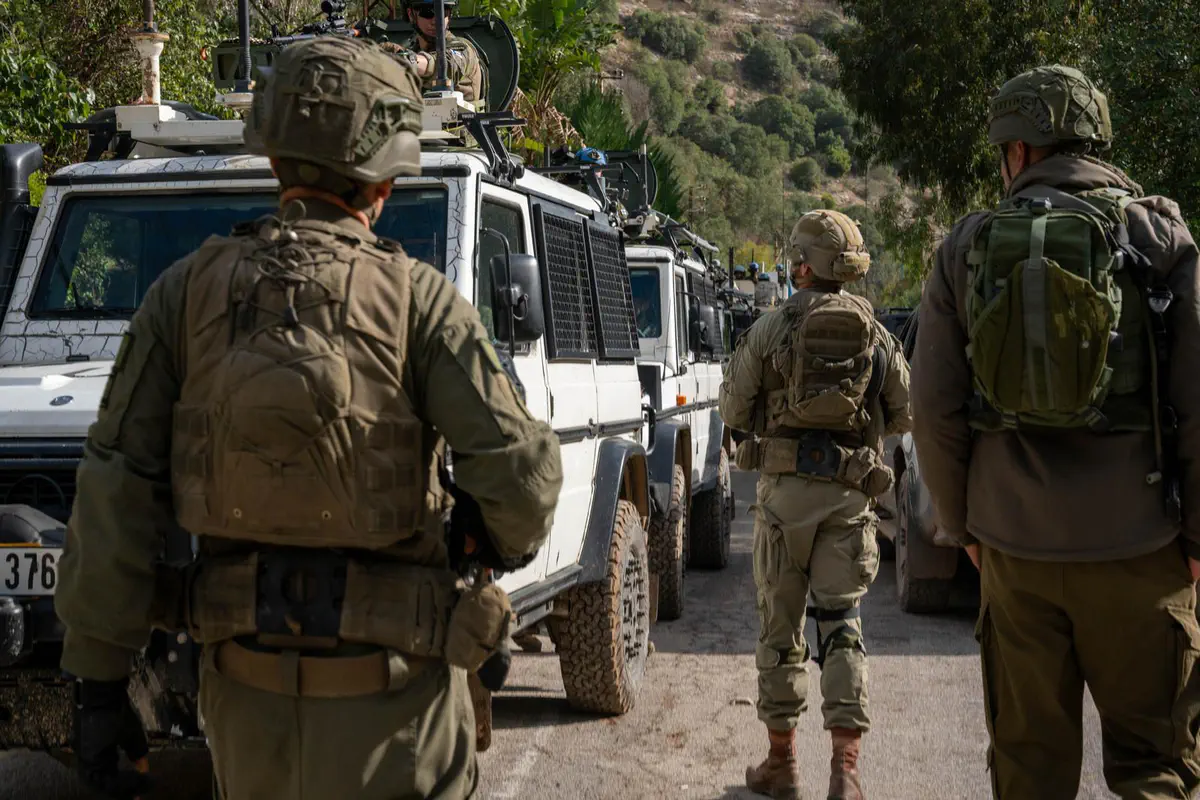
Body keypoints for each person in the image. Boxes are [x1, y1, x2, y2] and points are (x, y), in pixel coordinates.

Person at [54, 35, 562, 800]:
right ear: (386, 177)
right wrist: (480, 538)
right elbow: (523, 482)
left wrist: (96, 684)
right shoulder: (420, 302)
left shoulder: (182, 295)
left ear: (272, 162)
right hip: (398, 710)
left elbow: (116, 482)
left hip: (243, 702)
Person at [911, 64, 1200, 799]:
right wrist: (1196, 540)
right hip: (1142, 547)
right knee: (1154, 767)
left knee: (1029, 773)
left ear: (1019, 151)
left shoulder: (966, 247)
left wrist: (965, 528)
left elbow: (934, 409)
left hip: (1014, 552)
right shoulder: (1160, 237)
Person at [719, 209, 912, 800]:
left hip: (782, 505)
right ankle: (845, 771)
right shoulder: (875, 333)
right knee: (842, 627)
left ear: (803, 265)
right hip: (849, 502)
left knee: (780, 631)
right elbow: (905, 412)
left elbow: (731, 410)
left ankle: (782, 766)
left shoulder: (771, 327)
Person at [385, 0, 484, 105]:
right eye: (427, 13)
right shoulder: (412, 49)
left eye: (443, 12)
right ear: (411, 15)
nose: (436, 20)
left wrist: (407, 60)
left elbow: (446, 64)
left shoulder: (463, 49)